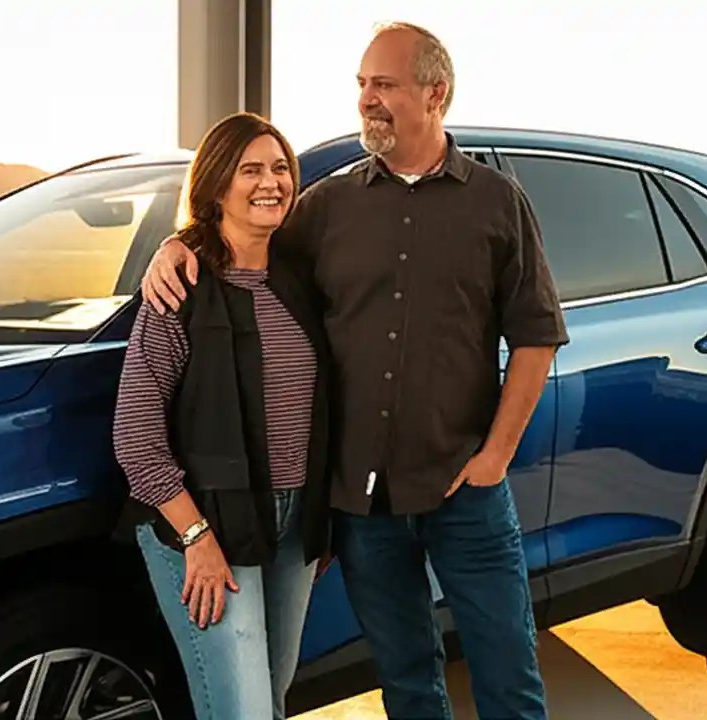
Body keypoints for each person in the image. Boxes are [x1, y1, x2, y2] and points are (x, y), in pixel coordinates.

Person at [139, 21, 569, 720]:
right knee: (406, 680)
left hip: (465, 490)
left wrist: (495, 456)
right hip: (362, 506)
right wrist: (176, 243)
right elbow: (244, 236)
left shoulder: (496, 203)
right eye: (362, 85)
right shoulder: (329, 206)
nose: (367, 99)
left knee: (508, 678)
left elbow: (536, 337)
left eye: (385, 85)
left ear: (436, 93)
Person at [112, 111, 333, 720]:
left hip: (292, 528)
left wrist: (318, 521)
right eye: (250, 169)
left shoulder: (299, 278)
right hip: (204, 526)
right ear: (215, 186)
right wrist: (195, 537)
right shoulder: (180, 288)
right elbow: (135, 434)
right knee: (242, 712)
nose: (272, 182)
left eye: (281, 167)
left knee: (271, 700)